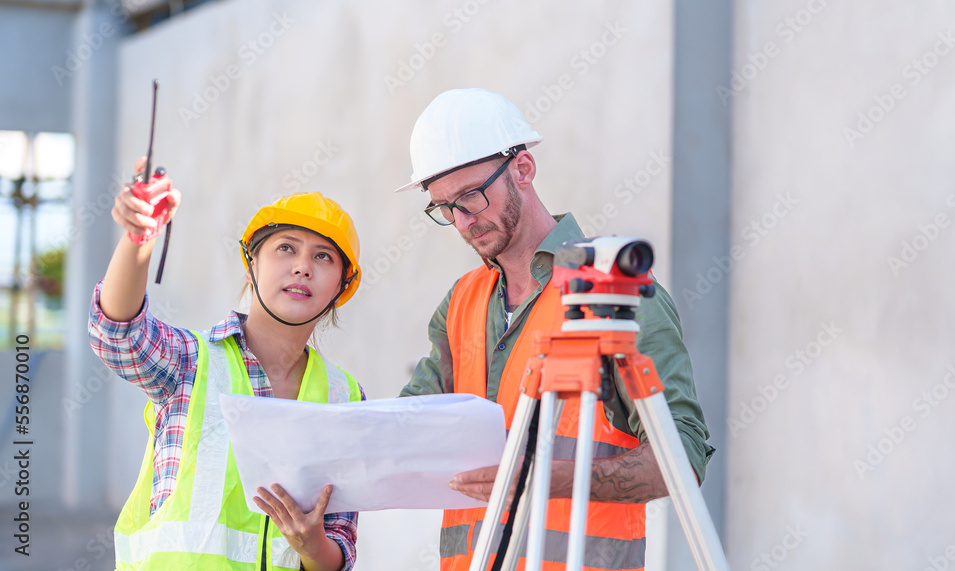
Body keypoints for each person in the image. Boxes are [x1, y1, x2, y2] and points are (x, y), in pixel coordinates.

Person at [396, 89, 714, 571]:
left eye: (471, 196)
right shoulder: (461, 302)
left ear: (523, 170)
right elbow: (408, 428)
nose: (462, 221)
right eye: (444, 207)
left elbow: (683, 456)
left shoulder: (613, 293)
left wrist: (547, 477)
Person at [89, 159, 364, 571]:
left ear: (341, 286)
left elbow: (338, 546)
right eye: (286, 247)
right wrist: (139, 238)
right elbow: (118, 335)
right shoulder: (190, 361)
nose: (303, 266)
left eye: (323, 256)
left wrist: (312, 545)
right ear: (252, 264)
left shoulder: (346, 397)